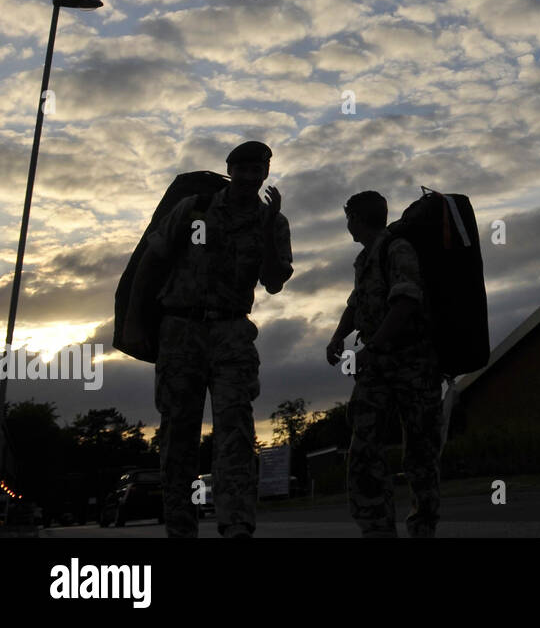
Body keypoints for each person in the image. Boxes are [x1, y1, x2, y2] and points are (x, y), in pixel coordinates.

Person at [143, 140, 292, 538]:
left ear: (265, 174)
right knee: (178, 437)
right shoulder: (195, 208)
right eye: (240, 169)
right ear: (230, 170)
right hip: (181, 330)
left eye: (256, 170)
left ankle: (237, 526)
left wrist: (267, 230)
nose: (247, 177)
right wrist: (144, 325)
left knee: (236, 433)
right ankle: (180, 529)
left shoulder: (272, 221)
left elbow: (275, 282)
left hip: (231, 334)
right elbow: (154, 258)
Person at [327, 191, 443, 538]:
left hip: (413, 365)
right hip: (377, 370)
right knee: (363, 451)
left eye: (349, 218)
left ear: (357, 219)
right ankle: (377, 530)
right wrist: (338, 336)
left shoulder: (397, 249)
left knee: (421, 456)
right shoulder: (365, 260)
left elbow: (406, 302)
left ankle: (423, 529)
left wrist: (372, 347)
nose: (347, 224)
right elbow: (356, 304)